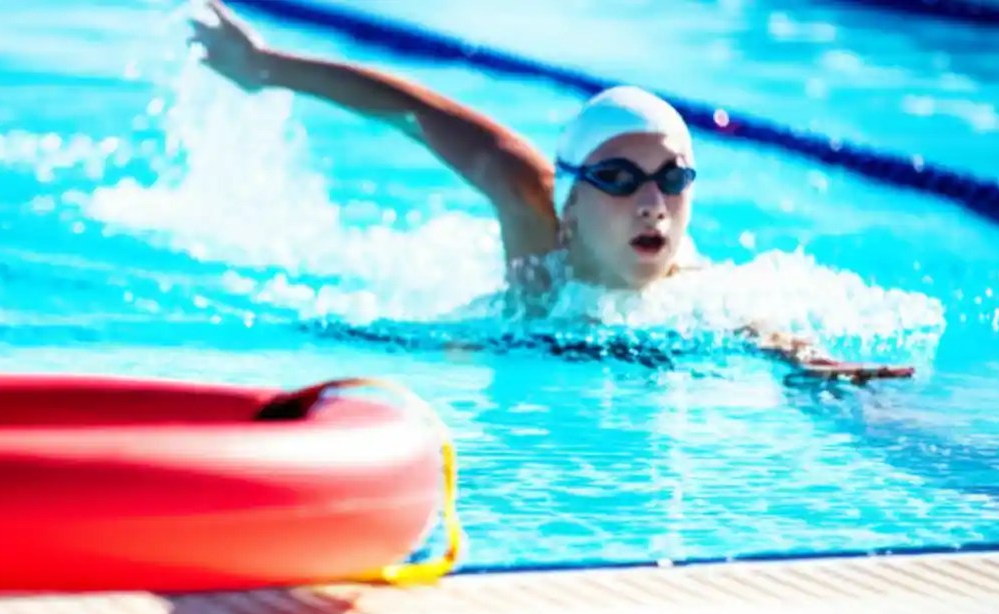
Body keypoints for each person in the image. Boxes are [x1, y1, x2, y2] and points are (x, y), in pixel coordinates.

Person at [189, 0, 913, 383]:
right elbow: (415, 110)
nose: (652, 202)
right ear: (571, 201)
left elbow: (764, 327)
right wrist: (266, 65)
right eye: (619, 180)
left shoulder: (694, 283)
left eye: (672, 179)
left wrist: (804, 357)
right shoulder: (529, 201)